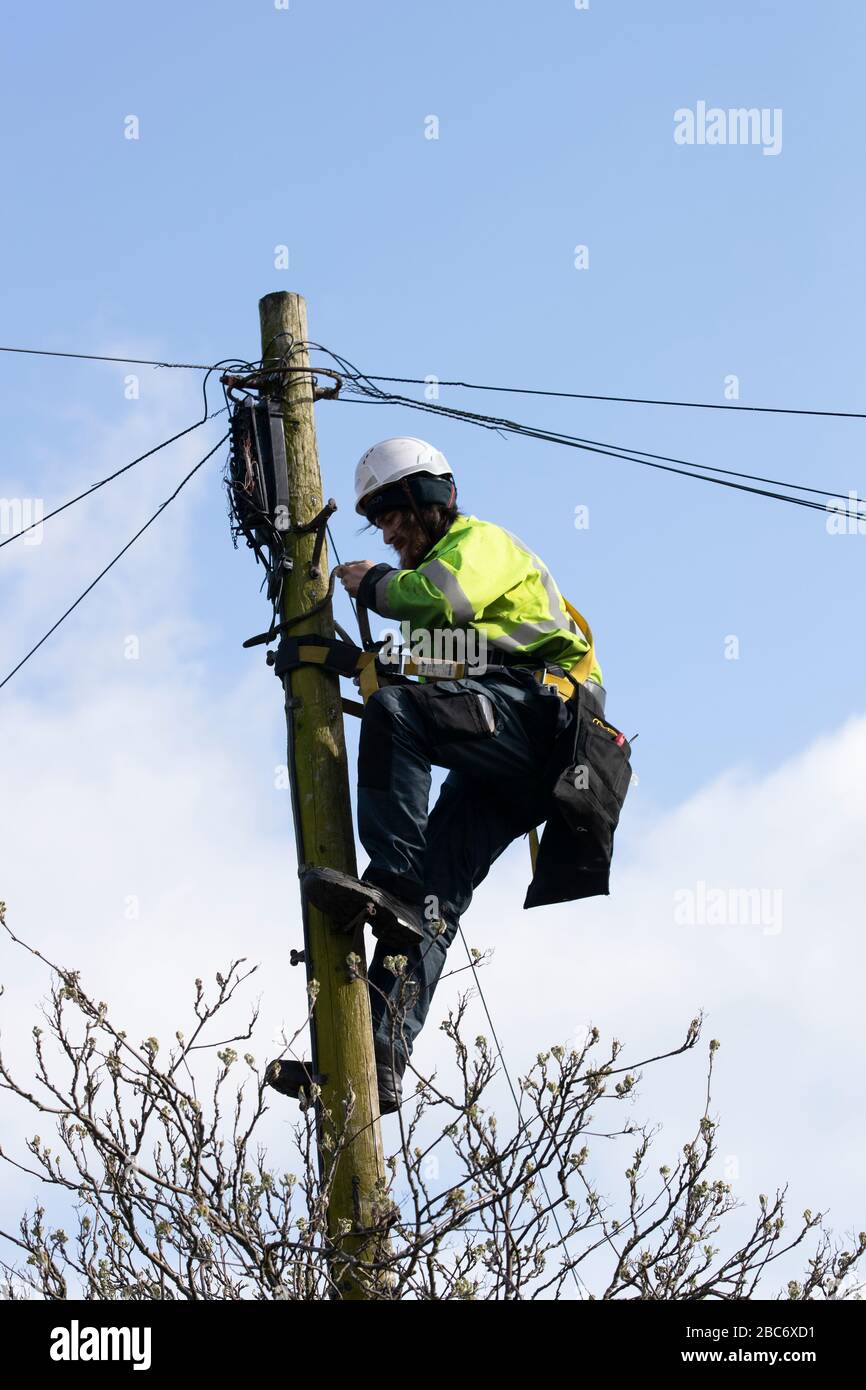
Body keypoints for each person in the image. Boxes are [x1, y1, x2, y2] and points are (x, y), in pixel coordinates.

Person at [303, 436, 616, 1113]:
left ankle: (391, 879)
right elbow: (442, 663)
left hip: (540, 721)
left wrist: (376, 586)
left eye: (391, 515)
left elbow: (444, 602)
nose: (387, 533)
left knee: (399, 715)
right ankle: (376, 1058)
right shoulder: (441, 593)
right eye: (378, 523)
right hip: (507, 756)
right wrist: (344, 663)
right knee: (432, 907)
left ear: (427, 499)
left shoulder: (479, 546)